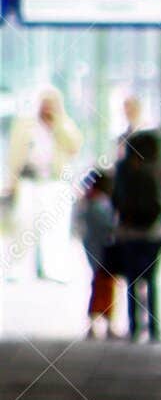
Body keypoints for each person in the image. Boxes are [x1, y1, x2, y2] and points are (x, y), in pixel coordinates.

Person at [5, 86, 84, 282]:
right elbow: (14, 152)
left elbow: (74, 146)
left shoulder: (64, 124)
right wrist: (11, 179)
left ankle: (54, 269)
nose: (47, 108)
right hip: (29, 180)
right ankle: (19, 269)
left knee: (55, 227)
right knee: (24, 224)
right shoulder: (25, 125)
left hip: (53, 181)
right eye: (45, 104)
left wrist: (57, 124)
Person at [111, 130, 161, 343]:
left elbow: (116, 198)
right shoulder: (158, 170)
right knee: (152, 280)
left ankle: (134, 327)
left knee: (132, 280)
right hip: (151, 232)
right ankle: (154, 327)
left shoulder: (123, 169)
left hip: (128, 231)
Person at [74, 169, 118, 339]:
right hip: (103, 252)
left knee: (99, 288)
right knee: (105, 289)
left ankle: (98, 323)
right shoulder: (100, 204)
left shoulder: (88, 203)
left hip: (94, 251)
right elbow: (108, 227)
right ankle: (103, 323)